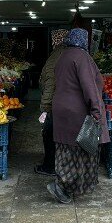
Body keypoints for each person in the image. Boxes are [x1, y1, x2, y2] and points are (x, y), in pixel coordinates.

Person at [47, 28, 109, 204]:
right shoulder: (82, 57)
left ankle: (64, 184)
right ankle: (63, 186)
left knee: (65, 149)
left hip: (61, 110)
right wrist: (97, 112)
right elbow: (90, 87)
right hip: (77, 112)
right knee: (82, 149)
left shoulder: (63, 56)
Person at [35, 29, 69, 176]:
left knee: (49, 135)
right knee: (60, 136)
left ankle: (50, 166)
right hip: (66, 103)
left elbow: (50, 82)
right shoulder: (70, 53)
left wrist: (45, 106)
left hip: (54, 104)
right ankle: (61, 164)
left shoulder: (57, 55)